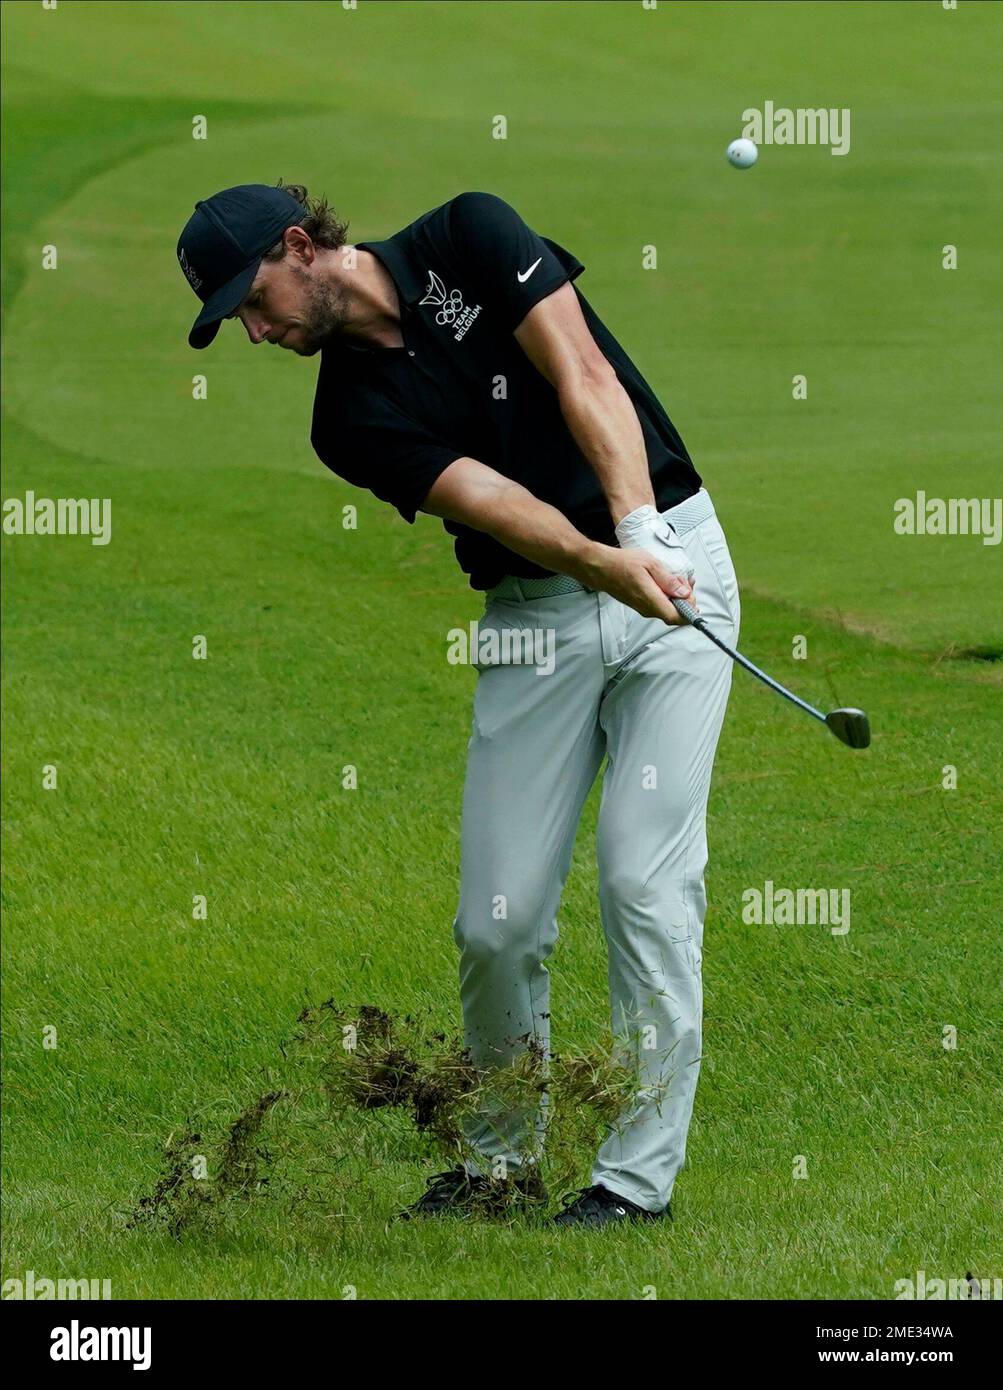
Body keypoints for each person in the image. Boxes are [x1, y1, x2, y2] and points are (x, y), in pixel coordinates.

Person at [177, 182, 740, 1228]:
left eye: (251, 301)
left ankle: (634, 1181)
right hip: (540, 615)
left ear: (301, 247)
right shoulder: (347, 418)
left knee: (645, 884)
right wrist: (600, 560)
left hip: (676, 558)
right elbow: (501, 507)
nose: (253, 332)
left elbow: (581, 370)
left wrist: (639, 527)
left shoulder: (467, 236)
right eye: (235, 321)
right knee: (498, 920)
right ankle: (498, 1165)